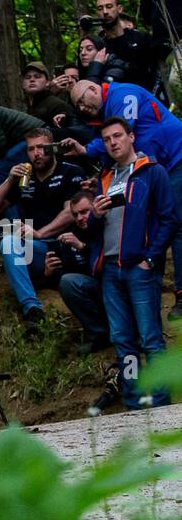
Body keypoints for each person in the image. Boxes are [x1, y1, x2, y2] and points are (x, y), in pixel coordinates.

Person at [64, 78, 182, 315]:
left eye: (83, 102)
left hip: (176, 156)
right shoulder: (107, 110)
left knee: (176, 223)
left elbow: (120, 136)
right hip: (156, 166)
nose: (83, 108)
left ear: (93, 89)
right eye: (78, 106)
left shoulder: (122, 94)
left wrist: (88, 150)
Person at [86, 116, 178, 410]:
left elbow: (169, 219)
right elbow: (89, 228)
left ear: (131, 137)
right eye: (107, 139)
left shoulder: (152, 172)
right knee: (123, 342)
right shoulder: (104, 178)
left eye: (117, 136)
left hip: (140, 266)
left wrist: (151, 259)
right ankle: (134, 403)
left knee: (151, 339)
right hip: (110, 268)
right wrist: (94, 215)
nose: (113, 143)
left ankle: (161, 403)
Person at [0, 127, 86, 323]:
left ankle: (44, 283)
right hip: (37, 250)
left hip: (65, 247)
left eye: (41, 147)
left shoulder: (71, 171)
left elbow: (70, 213)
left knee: (15, 242)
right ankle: (32, 310)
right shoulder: (25, 180)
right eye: (31, 149)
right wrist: (9, 179)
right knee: (8, 242)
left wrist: (39, 233)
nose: (36, 153)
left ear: (53, 148)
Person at [50, 191, 112, 354]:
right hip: (96, 293)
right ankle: (99, 334)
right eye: (75, 214)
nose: (79, 218)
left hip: (116, 287)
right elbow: (69, 277)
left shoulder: (109, 225)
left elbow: (109, 263)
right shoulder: (71, 233)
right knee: (67, 281)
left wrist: (82, 247)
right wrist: (50, 272)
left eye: (84, 212)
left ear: (96, 207)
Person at [88, 0, 157, 88]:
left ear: (119, 9)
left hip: (146, 96)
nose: (105, 12)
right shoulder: (100, 47)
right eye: (100, 9)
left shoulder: (140, 37)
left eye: (109, 6)